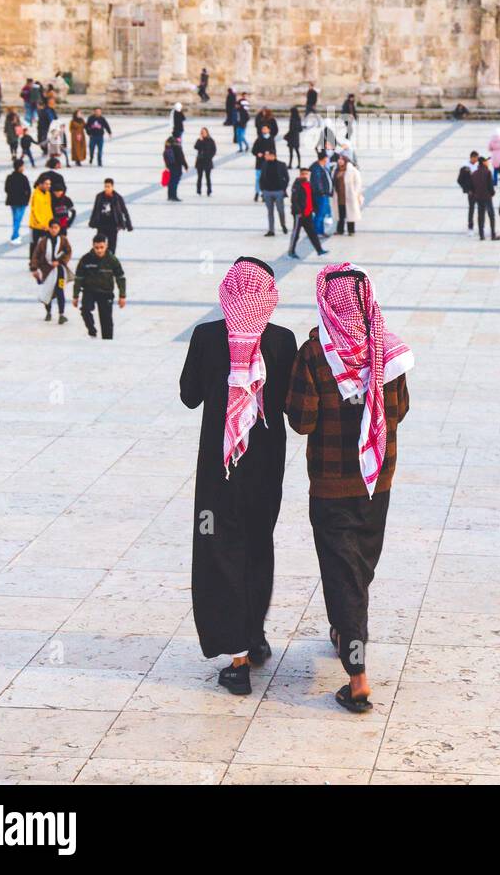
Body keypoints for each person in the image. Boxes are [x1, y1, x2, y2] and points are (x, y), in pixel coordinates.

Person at [287, 265, 412, 713]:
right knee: (359, 565)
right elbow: (398, 411)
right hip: (378, 479)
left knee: (342, 571)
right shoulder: (386, 349)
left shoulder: (314, 353)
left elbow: (301, 422)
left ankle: (357, 675)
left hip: (331, 483)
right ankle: (344, 630)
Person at [180, 257, 297, 695]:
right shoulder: (282, 341)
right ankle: (256, 634)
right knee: (257, 545)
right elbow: (290, 403)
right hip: (266, 469)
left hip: (219, 469)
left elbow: (189, 396)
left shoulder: (208, 337)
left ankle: (238, 657)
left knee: (219, 552)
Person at [73, 233, 127, 340]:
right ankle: (92, 330)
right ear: (93, 246)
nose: (99, 250)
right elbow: (79, 278)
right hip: (89, 290)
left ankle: (107, 341)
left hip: (106, 292)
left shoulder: (112, 260)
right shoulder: (86, 259)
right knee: (85, 310)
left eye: (102, 247)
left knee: (106, 319)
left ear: (106, 246)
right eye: (96, 248)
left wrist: (122, 295)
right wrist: (75, 295)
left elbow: (120, 277)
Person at [31, 218, 72, 325]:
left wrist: (61, 261)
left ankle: (61, 314)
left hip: (60, 270)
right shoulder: (43, 242)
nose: (54, 230)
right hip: (47, 270)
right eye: (52, 228)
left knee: (60, 290)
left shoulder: (63, 240)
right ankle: (48, 312)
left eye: (56, 228)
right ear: (48, 228)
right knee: (47, 291)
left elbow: (68, 251)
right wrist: (34, 268)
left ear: (59, 228)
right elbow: (36, 255)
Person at [288, 167, 328, 259]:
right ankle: (291, 251)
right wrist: (298, 212)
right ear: (300, 174)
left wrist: (315, 209)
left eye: (307, 174)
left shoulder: (309, 184)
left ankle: (319, 250)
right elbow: (294, 200)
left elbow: (311, 198)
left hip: (308, 214)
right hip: (300, 214)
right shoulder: (297, 184)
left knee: (312, 233)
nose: (306, 175)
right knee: (296, 233)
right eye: (304, 174)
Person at [90, 178, 133, 251]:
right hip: (102, 224)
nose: (107, 188)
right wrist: (92, 221)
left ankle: (110, 260)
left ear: (112, 187)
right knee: (100, 244)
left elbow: (125, 211)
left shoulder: (118, 198)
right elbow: (95, 210)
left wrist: (129, 224)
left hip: (113, 225)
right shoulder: (99, 197)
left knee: (112, 246)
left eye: (108, 186)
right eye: (105, 186)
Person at [332, 153, 364, 237]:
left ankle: (351, 230)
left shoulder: (352, 170)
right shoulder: (336, 170)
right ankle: (340, 230)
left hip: (349, 195)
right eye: (339, 159)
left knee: (350, 213)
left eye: (342, 159)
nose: (340, 161)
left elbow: (358, 182)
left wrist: (355, 192)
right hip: (339, 196)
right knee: (340, 214)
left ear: (345, 161)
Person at [260, 150, 290, 236]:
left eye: (268, 155)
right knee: (270, 212)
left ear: (273, 156)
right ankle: (271, 230)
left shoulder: (281, 165)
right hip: (267, 192)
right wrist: (263, 190)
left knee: (280, 210)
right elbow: (262, 178)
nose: (266, 157)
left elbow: (287, 178)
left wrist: (283, 189)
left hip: (278, 191)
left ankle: (283, 224)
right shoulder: (264, 164)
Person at [470, 156, 499, 241]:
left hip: (478, 197)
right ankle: (493, 235)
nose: (488, 162)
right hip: (487, 197)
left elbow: (472, 186)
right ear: (483, 162)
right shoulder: (487, 172)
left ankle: (481, 235)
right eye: (486, 161)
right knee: (491, 215)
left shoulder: (474, 173)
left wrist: (475, 194)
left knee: (481, 216)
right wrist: (492, 193)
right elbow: (490, 185)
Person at [5, 159, 31, 244]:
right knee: (18, 219)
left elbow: (6, 189)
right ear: (20, 167)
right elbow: (28, 190)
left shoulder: (9, 177)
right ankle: (14, 236)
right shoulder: (23, 178)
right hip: (21, 202)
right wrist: (27, 199)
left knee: (15, 218)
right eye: (23, 166)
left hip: (12, 201)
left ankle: (15, 235)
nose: (23, 167)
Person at [28, 174, 53, 259]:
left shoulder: (48, 194)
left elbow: (49, 209)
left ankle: (42, 260)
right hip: (35, 225)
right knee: (34, 244)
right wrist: (41, 223)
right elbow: (35, 211)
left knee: (45, 244)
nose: (48, 186)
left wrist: (50, 222)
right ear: (40, 184)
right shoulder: (36, 195)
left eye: (49, 184)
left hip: (46, 225)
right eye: (46, 184)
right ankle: (32, 262)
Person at [310, 149, 334, 236]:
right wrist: (322, 192)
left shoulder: (322, 167)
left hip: (324, 194)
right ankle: (316, 232)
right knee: (319, 213)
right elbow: (317, 182)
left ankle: (320, 231)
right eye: (327, 157)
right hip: (321, 195)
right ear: (324, 158)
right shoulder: (317, 168)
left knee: (322, 213)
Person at [457, 150, 480, 230]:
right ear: (472, 158)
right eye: (475, 158)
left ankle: (481, 226)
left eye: (477, 158)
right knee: (471, 209)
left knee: (481, 209)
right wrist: (467, 190)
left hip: (480, 191)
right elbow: (459, 180)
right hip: (471, 192)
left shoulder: (479, 165)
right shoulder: (465, 167)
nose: (476, 160)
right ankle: (470, 226)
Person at [252, 125, 275, 201]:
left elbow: (274, 151)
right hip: (259, 163)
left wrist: (270, 154)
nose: (264, 130)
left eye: (265, 129)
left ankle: (264, 194)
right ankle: (257, 192)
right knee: (258, 178)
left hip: (268, 163)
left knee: (266, 179)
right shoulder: (259, 139)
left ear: (269, 130)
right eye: (263, 129)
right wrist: (258, 153)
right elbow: (253, 150)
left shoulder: (271, 139)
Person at [164, 135, 188, 201]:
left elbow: (165, 157)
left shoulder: (167, 147)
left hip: (170, 167)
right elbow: (181, 158)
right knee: (175, 182)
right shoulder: (177, 147)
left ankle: (170, 196)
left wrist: (167, 166)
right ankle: (174, 196)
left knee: (171, 181)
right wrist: (185, 166)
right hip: (177, 167)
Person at [194, 127, 217, 196]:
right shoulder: (199, 140)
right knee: (199, 177)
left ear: (207, 132)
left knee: (208, 177)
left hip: (207, 161)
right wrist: (200, 141)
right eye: (201, 132)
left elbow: (214, 150)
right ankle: (199, 190)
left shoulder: (211, 140)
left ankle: (209, 191)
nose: (203, 133)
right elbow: (196, 147)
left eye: (204, 132)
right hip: (200, 161)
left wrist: (210, 157)